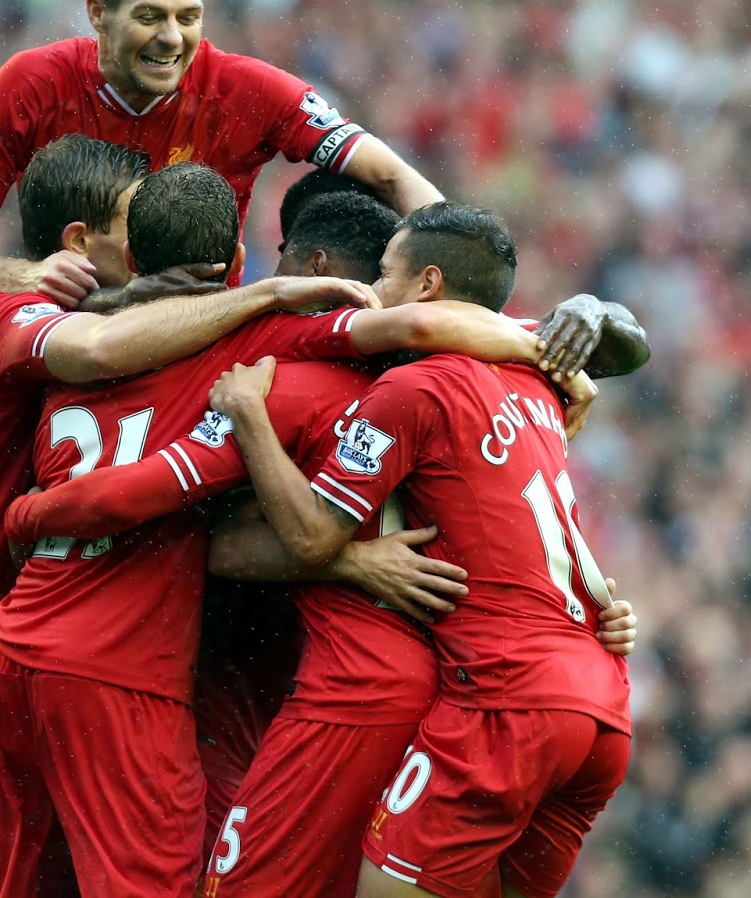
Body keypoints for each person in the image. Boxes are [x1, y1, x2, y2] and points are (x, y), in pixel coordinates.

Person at [4, 187, 646, 893]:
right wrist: (588, 316)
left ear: (315, 265)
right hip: (545, 688)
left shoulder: (307, 380)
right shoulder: (527, 375)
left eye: (384, 278)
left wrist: (29, 515)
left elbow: (180, 520)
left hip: (381, 693)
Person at [0, 137, 373, 898]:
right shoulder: (70, 333)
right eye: (130, 219)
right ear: (81, 243)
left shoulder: (22, 347)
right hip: (65, 669)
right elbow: (400, 336)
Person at [207, 203, 632, 898]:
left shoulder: (412, 386)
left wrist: (249, 416)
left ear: (428, 284)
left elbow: (313, 533)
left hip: (508, 702)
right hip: (601, 699)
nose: (373, 289)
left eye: (384, 273)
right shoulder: (542, 387)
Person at [0, 0, 442, 305]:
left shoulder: (246, 89)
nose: (172, 38)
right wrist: (24, 278)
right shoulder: (32, 84)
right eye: (150, 16)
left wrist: (448, 292)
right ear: (97, 12)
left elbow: (393, 175)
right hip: (68, 340)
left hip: (200, 344)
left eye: (188, 17)